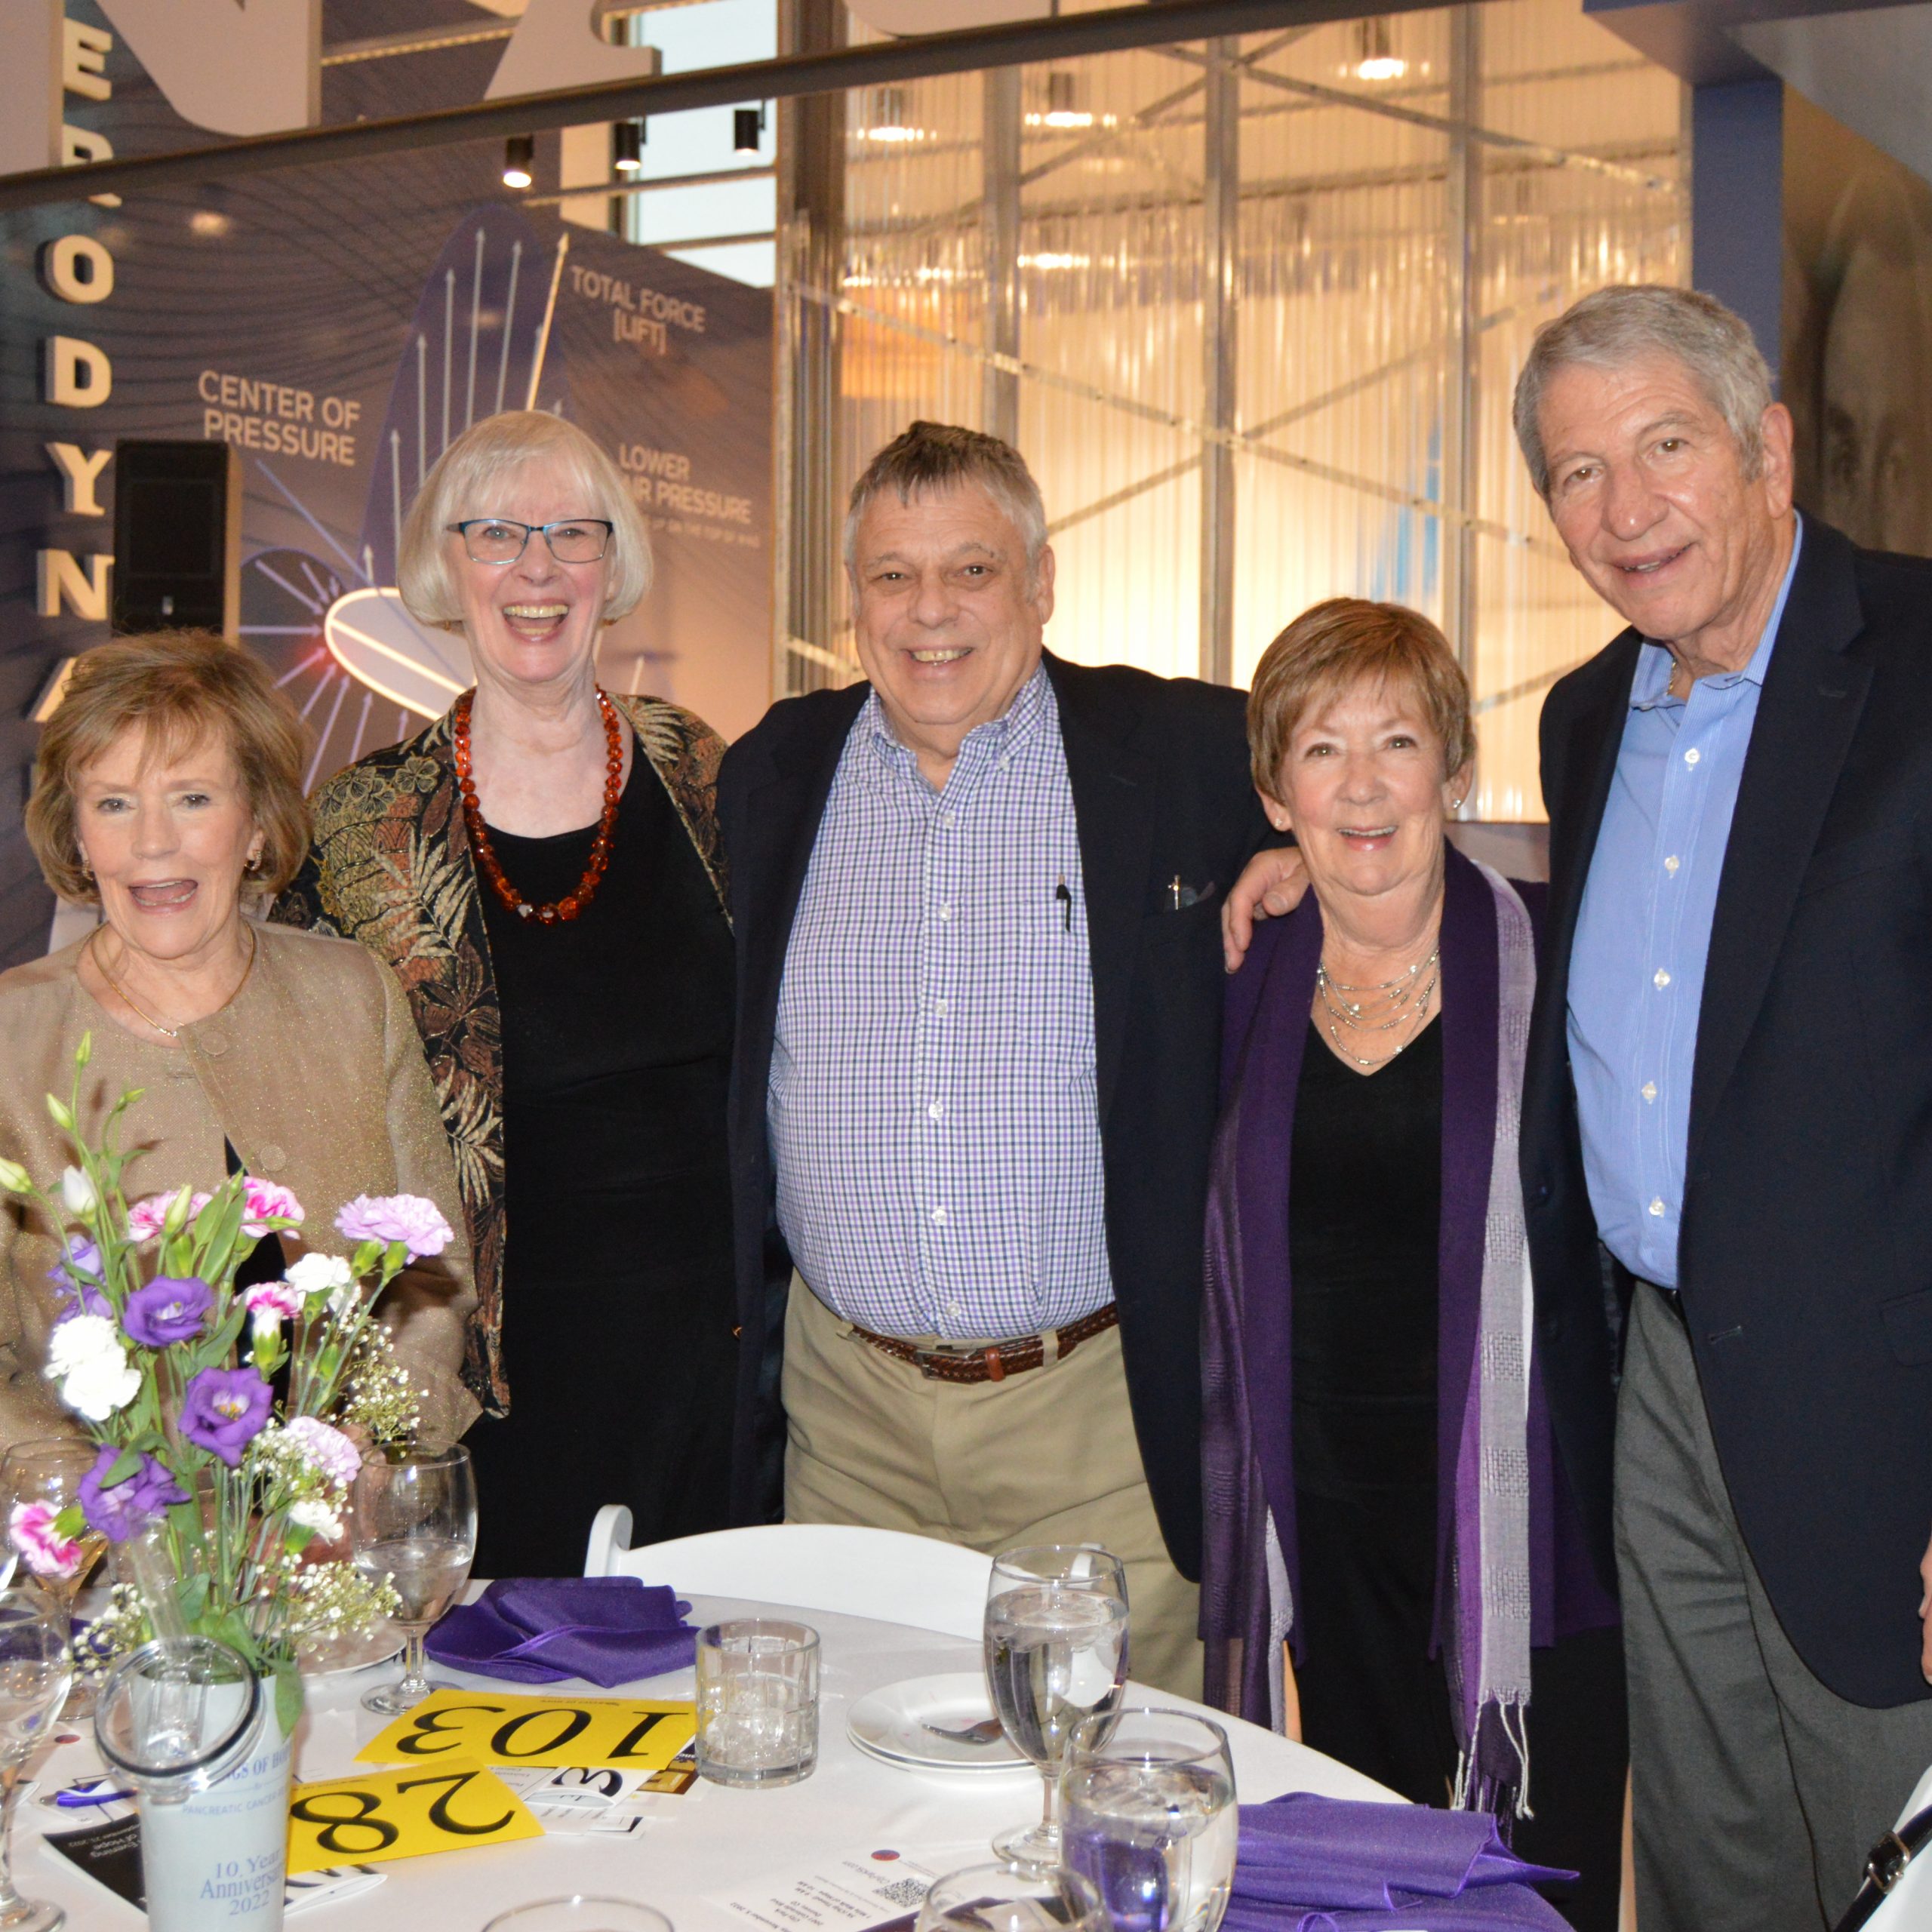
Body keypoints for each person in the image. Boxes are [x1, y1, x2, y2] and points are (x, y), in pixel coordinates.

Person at [1224, 284, 1932, 1930]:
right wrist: (1321, 871)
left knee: (1886, 1871)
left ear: (1765, 447)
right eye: (1572, 475)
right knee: (1706, 1868)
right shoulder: (1592, 713)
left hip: (1875, 1430)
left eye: (1661, 447)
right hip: (1651, 1400)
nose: (1621, 509)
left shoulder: (1913, 664)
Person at [720, 420, 1270, 1696]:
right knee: (854, 1818)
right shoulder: (773, 775)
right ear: (852, 598)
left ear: (1040, 582)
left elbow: (1375, 806)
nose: (932, 614)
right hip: (843, 1422)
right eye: (893, 577)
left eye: (970, 571)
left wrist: (1302, 864)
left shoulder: (1190, 757)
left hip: (1096, 1429)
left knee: (1106, 1804)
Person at [1200, 598, 1624, 1929]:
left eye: (1400, 740)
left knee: (1527, 1890)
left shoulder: (1562, 954)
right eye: (1323, 751)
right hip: (1324, 1528)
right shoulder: (1241, 968)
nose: (1366, 784)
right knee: (1360, 1880)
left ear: (1455, 768)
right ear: (1277, 793)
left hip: (1534, 1518)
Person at [274, 411, 737, 1577]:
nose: (537, 570)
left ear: (613, 566)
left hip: (720, 1359)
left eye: (572, 534)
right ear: (448, 566)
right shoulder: (360, 823)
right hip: (486, 1372)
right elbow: (299, 1105)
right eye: (497, 534)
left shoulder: (714, 773)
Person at [0, 631, 475, 1448]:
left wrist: (370, 1444)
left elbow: (430, 1277)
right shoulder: (13, 1034)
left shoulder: (352, 994)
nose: (154, 842)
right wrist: (92, 1508)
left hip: (343, 1530)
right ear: (77, 836)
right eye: (114, 802)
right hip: (107, 1544)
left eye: (192, 798)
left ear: (256, 824)